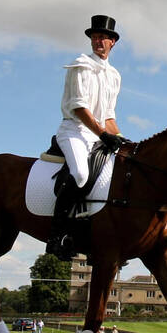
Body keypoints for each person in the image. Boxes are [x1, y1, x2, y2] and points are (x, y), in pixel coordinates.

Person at [46, 15, 128, 260]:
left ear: (113, 42)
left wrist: (122, 139)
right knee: (81, 174)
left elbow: (109, 117)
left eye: (103, 37)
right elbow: (80, 108)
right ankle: (56, 235)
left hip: (98, 135)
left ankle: (95, 235)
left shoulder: (114, 75)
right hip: (74, 130)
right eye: (94, 37)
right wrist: (103, 134)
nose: (98, 41)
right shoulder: (80, 65)